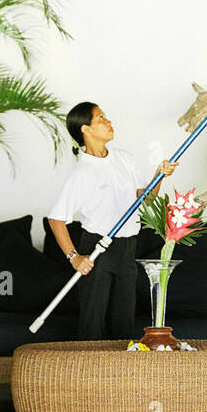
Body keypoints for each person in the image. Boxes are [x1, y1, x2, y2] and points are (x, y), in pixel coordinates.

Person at [47, 102, 176, 341]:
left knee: (123, 322)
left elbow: (145, 200)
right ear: (86, 129)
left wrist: (159, 176)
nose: (109, 122)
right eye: (101, 118)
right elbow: (56, 220)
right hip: (97, 248)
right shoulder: (81, 173)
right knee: (93, 322)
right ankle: (87, 375)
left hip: (128, 248)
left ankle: (119, 376)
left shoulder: (123, 158)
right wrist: (74, 258)